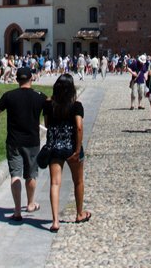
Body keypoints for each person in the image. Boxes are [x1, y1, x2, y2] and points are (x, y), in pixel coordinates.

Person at [0, 66, 46, 221]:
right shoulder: (40, 96)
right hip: (32, 142)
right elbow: (50, 111)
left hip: (14, 142)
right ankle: (30, 204)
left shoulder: (9, 96)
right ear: (32, 79)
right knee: (31, 175)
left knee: (15, 175)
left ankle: (17, 211)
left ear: (17, 80)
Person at [42, 74, 91, 232]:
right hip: (72, 146)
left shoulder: (49, 105)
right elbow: (78, 127)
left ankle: (55, 221)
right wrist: (77, 149)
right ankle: (79, 213)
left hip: (55, 146)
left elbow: (47, 124)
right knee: (78, 181)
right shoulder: (76, 105)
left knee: (55, 183)